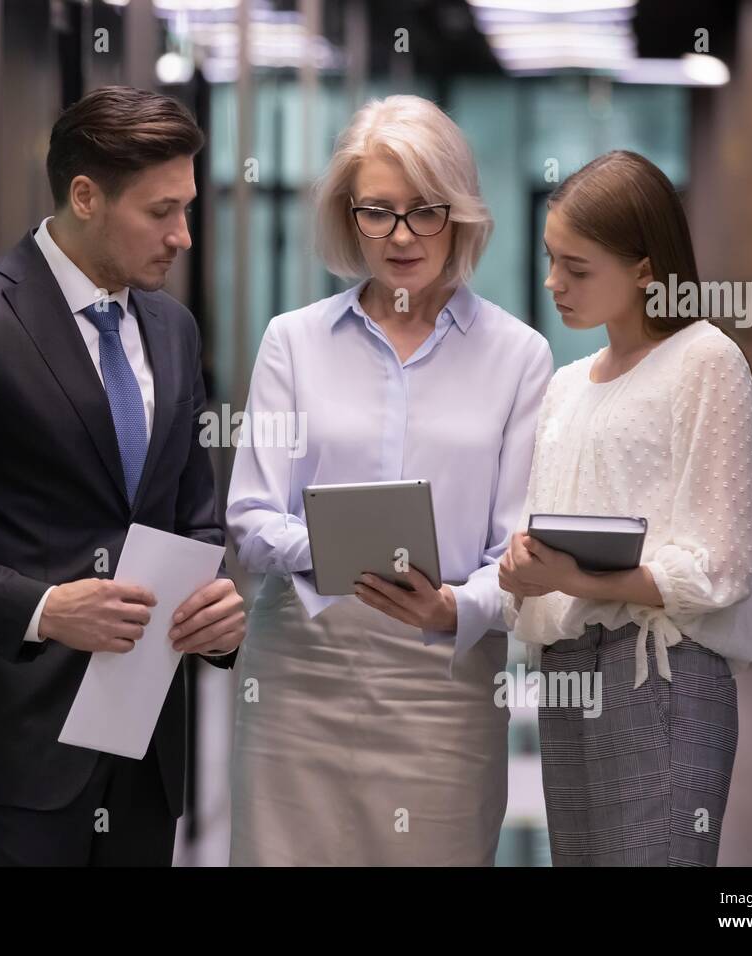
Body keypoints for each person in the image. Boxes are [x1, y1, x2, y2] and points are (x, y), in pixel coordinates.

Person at [0, 86, 245, 866]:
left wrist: (215, 605)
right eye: (161, 211)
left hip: (147, 739)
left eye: (187, 208)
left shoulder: (172, 327)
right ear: (85, 196)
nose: (184, 236)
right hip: (20, 738)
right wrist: (40, 608)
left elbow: (190, 509)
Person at [225, 95, 553, 865]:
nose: (401, 236)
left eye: (424, 211)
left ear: (461, 215)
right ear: (349, 215)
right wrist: (342, 549)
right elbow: (248, 516)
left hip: (441, 680)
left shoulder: (519, 357)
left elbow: (519, 549)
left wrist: (452, 606)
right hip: (300, 673)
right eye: (377, 211)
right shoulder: (292, 343)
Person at [498, 149, 752, 866]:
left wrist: (578, 580)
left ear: (646, 269)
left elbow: (720, 566)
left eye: (577, 269)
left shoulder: (705, 361)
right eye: (552, 261)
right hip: (568, 669)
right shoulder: (567, 383)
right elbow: (549, 534)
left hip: (664, 674)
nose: (554, 285)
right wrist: (524, 569)